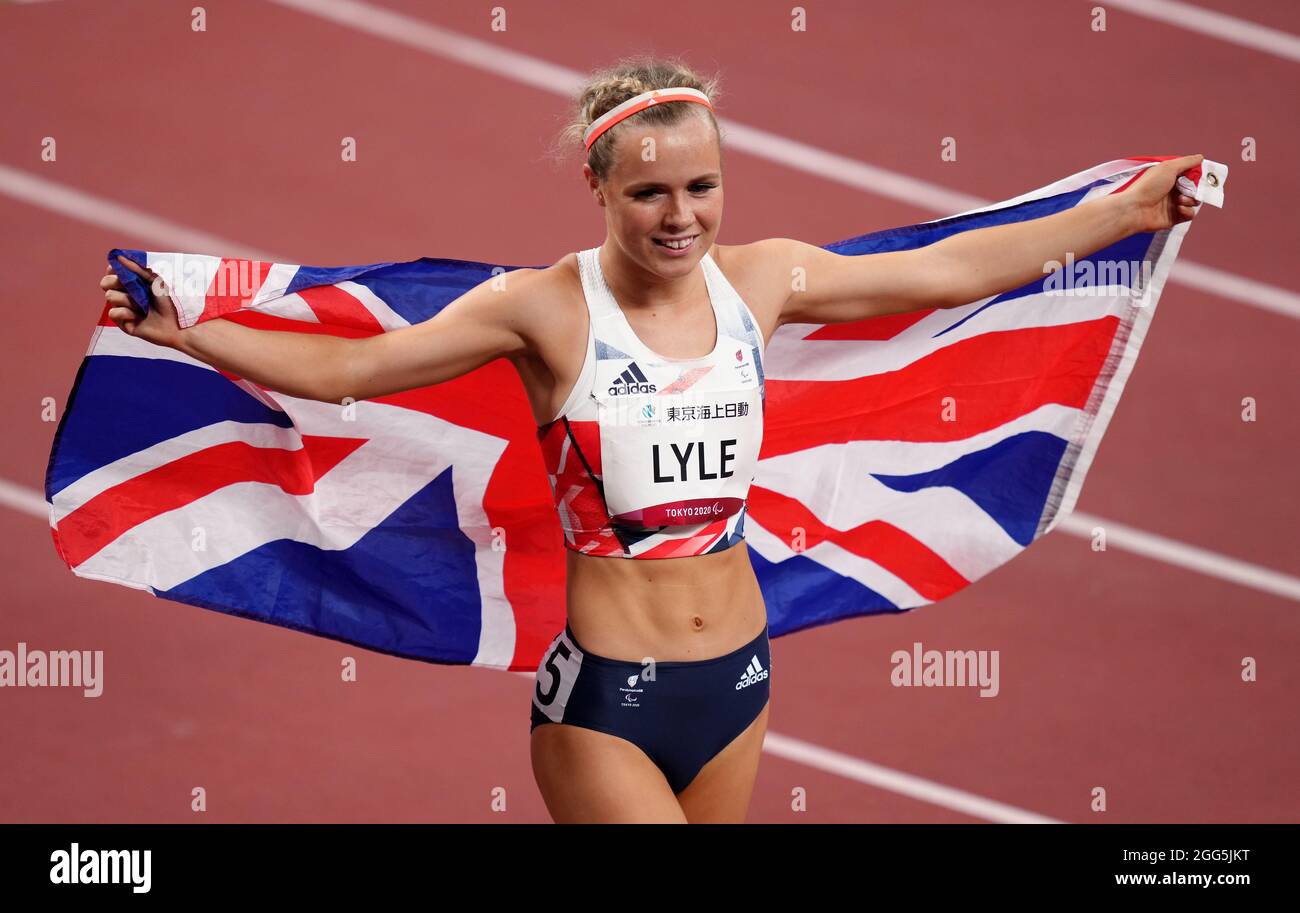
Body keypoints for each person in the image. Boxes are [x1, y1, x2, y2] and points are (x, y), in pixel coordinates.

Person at [99, 55, 1203, 824]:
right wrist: (191, 334)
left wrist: (1126, 212)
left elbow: (954, 270)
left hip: (738, 679)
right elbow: (349, 370)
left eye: (701, 185)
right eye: (649, 192)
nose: (681, 215)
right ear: (597, 187)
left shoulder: (764, 280)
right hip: (606, 699)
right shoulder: (542, 310)